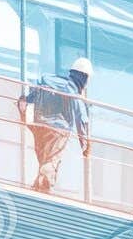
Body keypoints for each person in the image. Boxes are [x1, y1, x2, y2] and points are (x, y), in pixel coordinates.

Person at [18, 57, 92, 193]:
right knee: (51, 162)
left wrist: (24, 115)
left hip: (38, 126)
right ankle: (44, 192)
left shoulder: (47, 79)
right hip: (58, 131)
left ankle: (37, 187)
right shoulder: (73, 91)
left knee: (44, 161)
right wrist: (85, 145)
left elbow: (27, 99)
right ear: (84, 77)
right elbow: (82, 120)